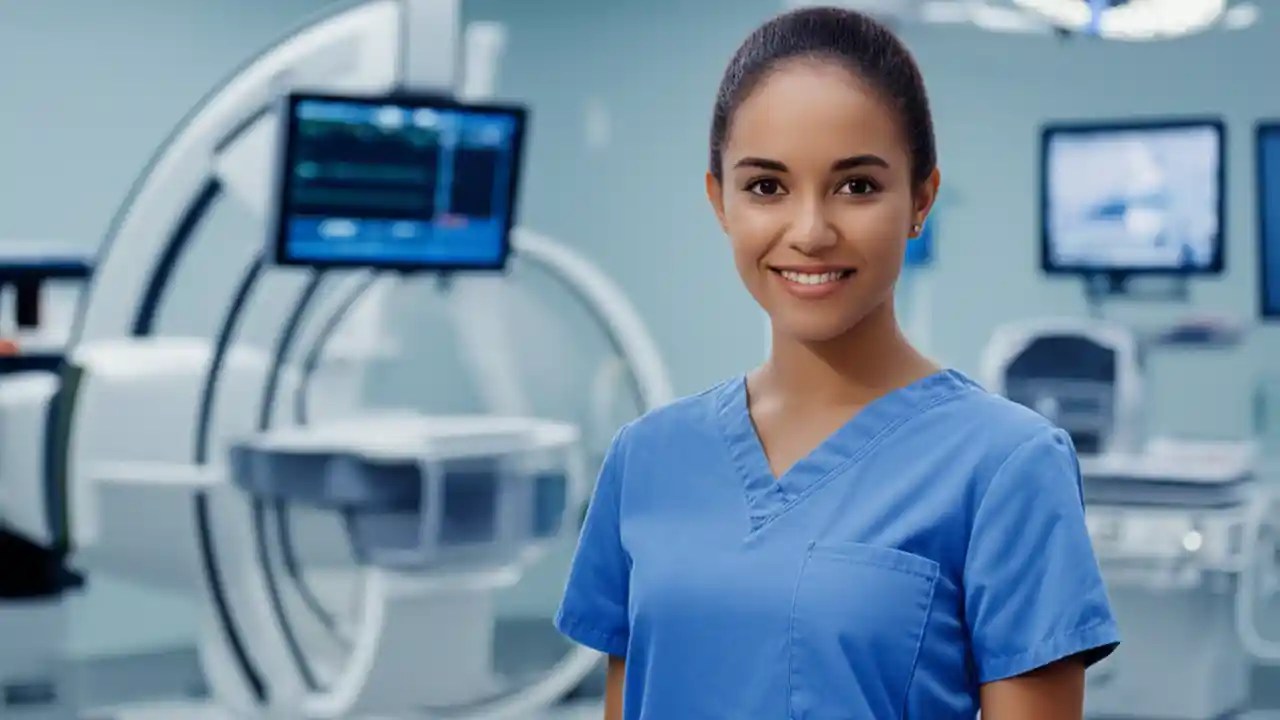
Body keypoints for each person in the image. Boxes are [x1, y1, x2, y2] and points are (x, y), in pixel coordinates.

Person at [554, 6, 1120, 719]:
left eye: (856, 186)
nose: (811, 231)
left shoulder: (1007, 466)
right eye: (766, 186)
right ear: (719, 201)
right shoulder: (647, 459)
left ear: (921, 200)